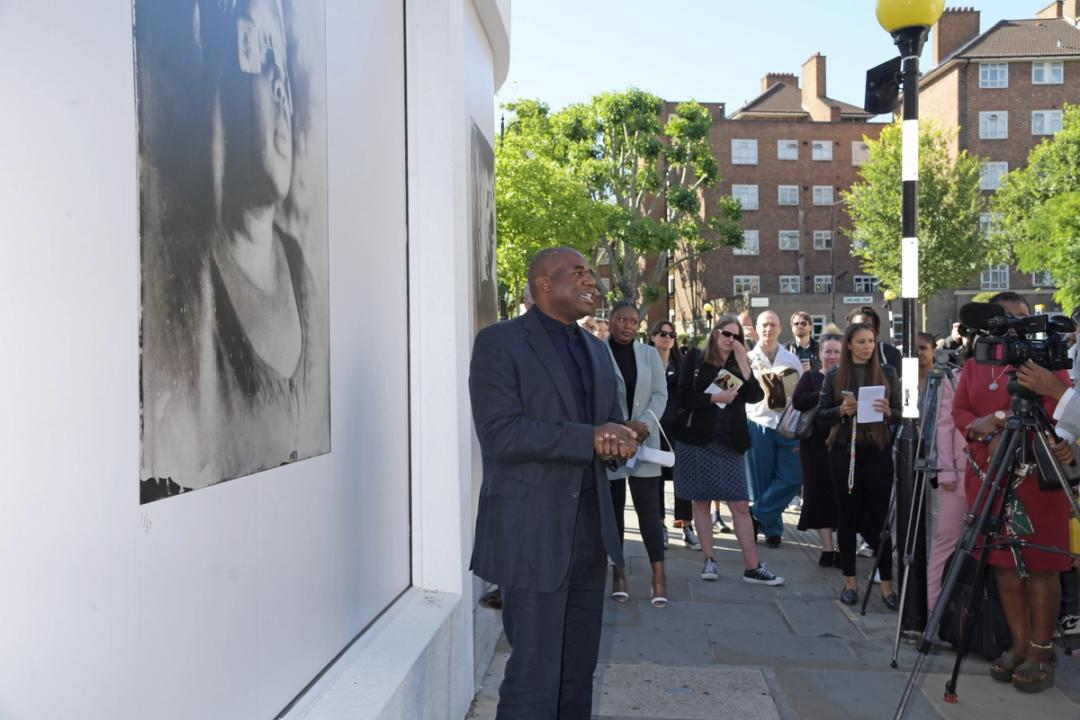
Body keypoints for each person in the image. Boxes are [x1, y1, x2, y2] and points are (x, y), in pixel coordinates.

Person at [140, 0, 329, 500]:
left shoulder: (304, 279)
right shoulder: (186, 285)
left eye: (285, 69)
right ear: (218, 74)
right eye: (262, 55)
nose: (282, 90)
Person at [469, 247, 638, 718]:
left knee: (576, 673)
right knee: (533, 675)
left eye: (591, 273)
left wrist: (621, 435)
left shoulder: (597, 350)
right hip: (532, 531)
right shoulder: (499, 343)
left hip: (590, 532)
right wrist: (592, 437)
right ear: (543, 283)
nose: (592, 281)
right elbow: (500, 432)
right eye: (579, 273)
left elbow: (606, 421)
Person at [953, 291, 1074, 692]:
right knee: (1003, 562)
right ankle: (1019, 644)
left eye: (1025, 320)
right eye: (1008, 319)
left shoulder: (1045, 364)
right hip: (989, 471)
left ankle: (1041, 649)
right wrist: (980, 423)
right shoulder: (976, 362)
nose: (1016, 328)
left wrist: (1003, 416)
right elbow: (960, 411)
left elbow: (1065, 413)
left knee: (1040, 564)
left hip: (1037, 475)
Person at [672, 316, 783, 586]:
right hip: (697, 440)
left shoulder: (738, 363)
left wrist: (744, 362)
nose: (730, 339)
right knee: (700, 501)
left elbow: (756, 397)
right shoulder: (696, 358)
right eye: (726, 333)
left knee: (740, 505)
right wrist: (714, 398)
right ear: (715, 332)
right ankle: (710, 560)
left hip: (730, 442)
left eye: (736, 336)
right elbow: (683, 397)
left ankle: (753, 567)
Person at [818, 323, 901, 609]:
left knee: (879, 520)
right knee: (848, 518)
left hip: (877, 451)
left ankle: (888, 585)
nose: (867, 346)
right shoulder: (833, 376)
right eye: (861, 341)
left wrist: (889, 412)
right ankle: (850, 581)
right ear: (849, 345)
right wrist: (841, 411)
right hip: (844, 451)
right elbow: (820, 415)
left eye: (871, 341)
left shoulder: (888, 373)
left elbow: (903, 414)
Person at [606, 301, 670, 608]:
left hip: (645, 442)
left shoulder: (649, 354)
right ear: (611, 320)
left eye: (633, 320)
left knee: (649, 512)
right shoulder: (598, 352)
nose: (627, 325)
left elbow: (660, 393)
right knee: (614, 512)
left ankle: (659, 577)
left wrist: (642, 424)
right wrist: (621, 426)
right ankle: (618, 574)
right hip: (612, 444)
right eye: (621, 319)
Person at [746, 310, 804, 547]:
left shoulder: (791, 360)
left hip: (787, 425)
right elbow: (725, 388)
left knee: (794, 476)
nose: (768, 329)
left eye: (772, 325)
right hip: (757, 422)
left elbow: (800, 396)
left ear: (781, 328)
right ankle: (773, 530)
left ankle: (756, 513)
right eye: (764, 325)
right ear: (756, 329)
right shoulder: (747, 358)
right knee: (763, 479)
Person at [793, 333, 843, 567]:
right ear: (820, 354)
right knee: (819, 495)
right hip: (814, 446)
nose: (832, 356)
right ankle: (827, 549)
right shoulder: (811, 377)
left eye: (837, 352)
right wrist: (825, 392)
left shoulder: (850, 379)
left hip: (842, 445)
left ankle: (844, 547)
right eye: (828, 351)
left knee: (842, 496)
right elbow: (798, 401)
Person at [648, 320, 699, 549]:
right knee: (655, 479)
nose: (668, 337)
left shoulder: (682, 362)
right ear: (652, 337)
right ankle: (660, 526)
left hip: (679, 429)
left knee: (683, 478)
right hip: (654, 428)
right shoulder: (645, 361)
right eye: (662, 333)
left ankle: (686, 525)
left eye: (672, 334)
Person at [926, 339, 967, 611]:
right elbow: (943, 426)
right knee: (945, 540)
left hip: (1001, 475)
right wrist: (947, 471)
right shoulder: (956, 378)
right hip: (959, 474)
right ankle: (934, 611)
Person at [846, 305, 902, 375]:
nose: (863, 330)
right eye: (858, 326)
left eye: (868, 326)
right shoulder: (839, 355)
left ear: (876, 329)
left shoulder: (890, 354)